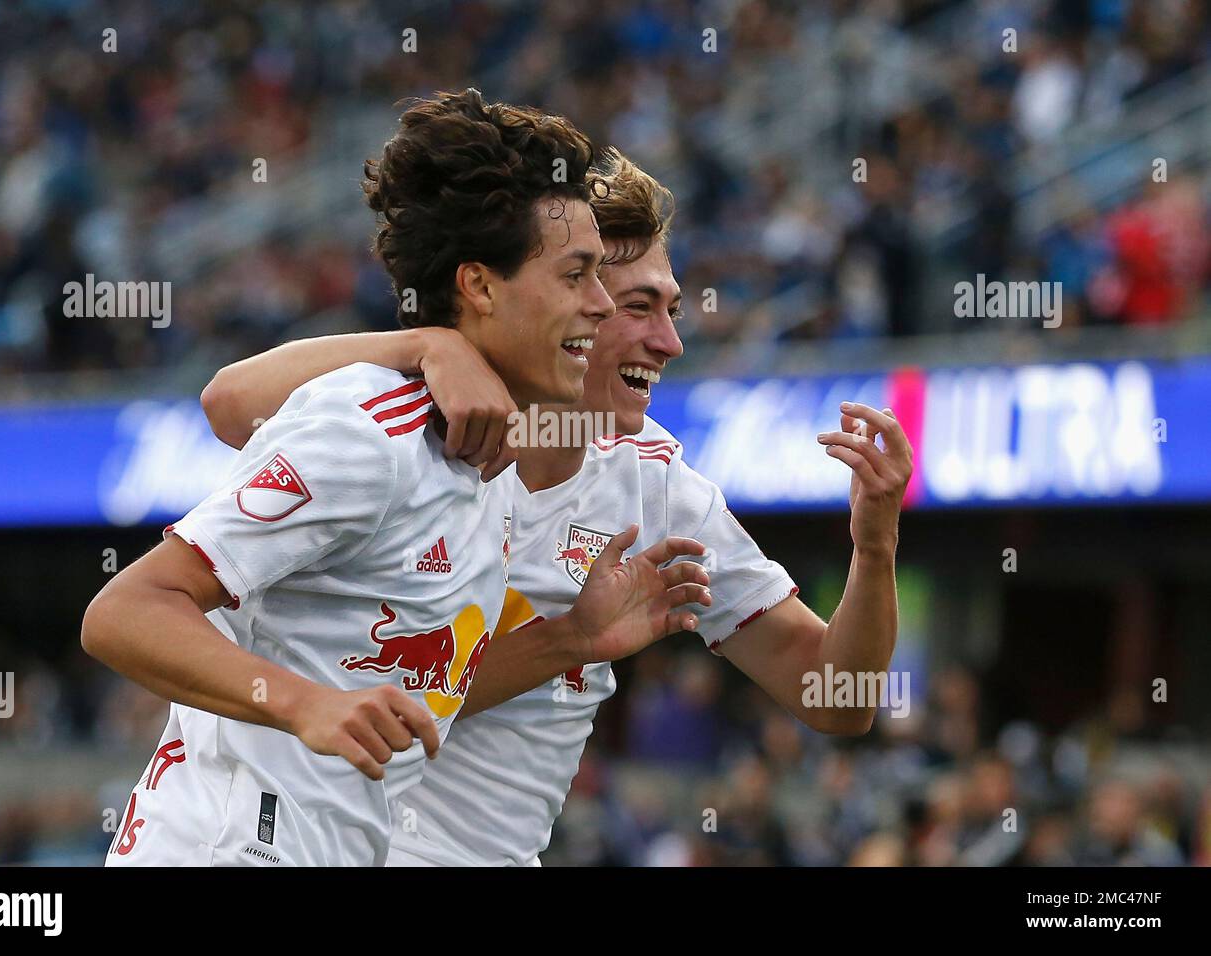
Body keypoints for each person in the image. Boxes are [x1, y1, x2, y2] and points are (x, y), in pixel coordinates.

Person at [202, 148, 912, 866]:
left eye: (670, 307)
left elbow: (835, 698)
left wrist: (876, 547)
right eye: (637, 307)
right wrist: (423, 344)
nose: (669, 341)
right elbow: (229, 404)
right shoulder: (419, 428)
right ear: (569, 301)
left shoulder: (655, 485)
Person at [82, 92, 708, 867]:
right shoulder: (373, 429)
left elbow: (411, 690)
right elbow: (125, 610)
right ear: (480, 287)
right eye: (577, 274)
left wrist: (573, 640)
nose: (602, 303)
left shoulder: (485, 468)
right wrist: (301, 704)